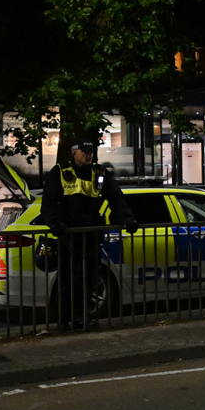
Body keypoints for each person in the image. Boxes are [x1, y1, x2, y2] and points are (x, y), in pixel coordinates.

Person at [41, 138, 138, 330]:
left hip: (92, 233)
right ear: (74, 152)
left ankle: (83, 317)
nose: (89, 155)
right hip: (68, 234)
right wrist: (55, 223)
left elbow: (116, 199)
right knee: (68, 278)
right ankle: (64, 320)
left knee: (89, 279)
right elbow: (49, 203)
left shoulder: (100, 173)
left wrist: (127, 218)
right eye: (85, 151)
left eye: (91, 151)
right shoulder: (60, 172)